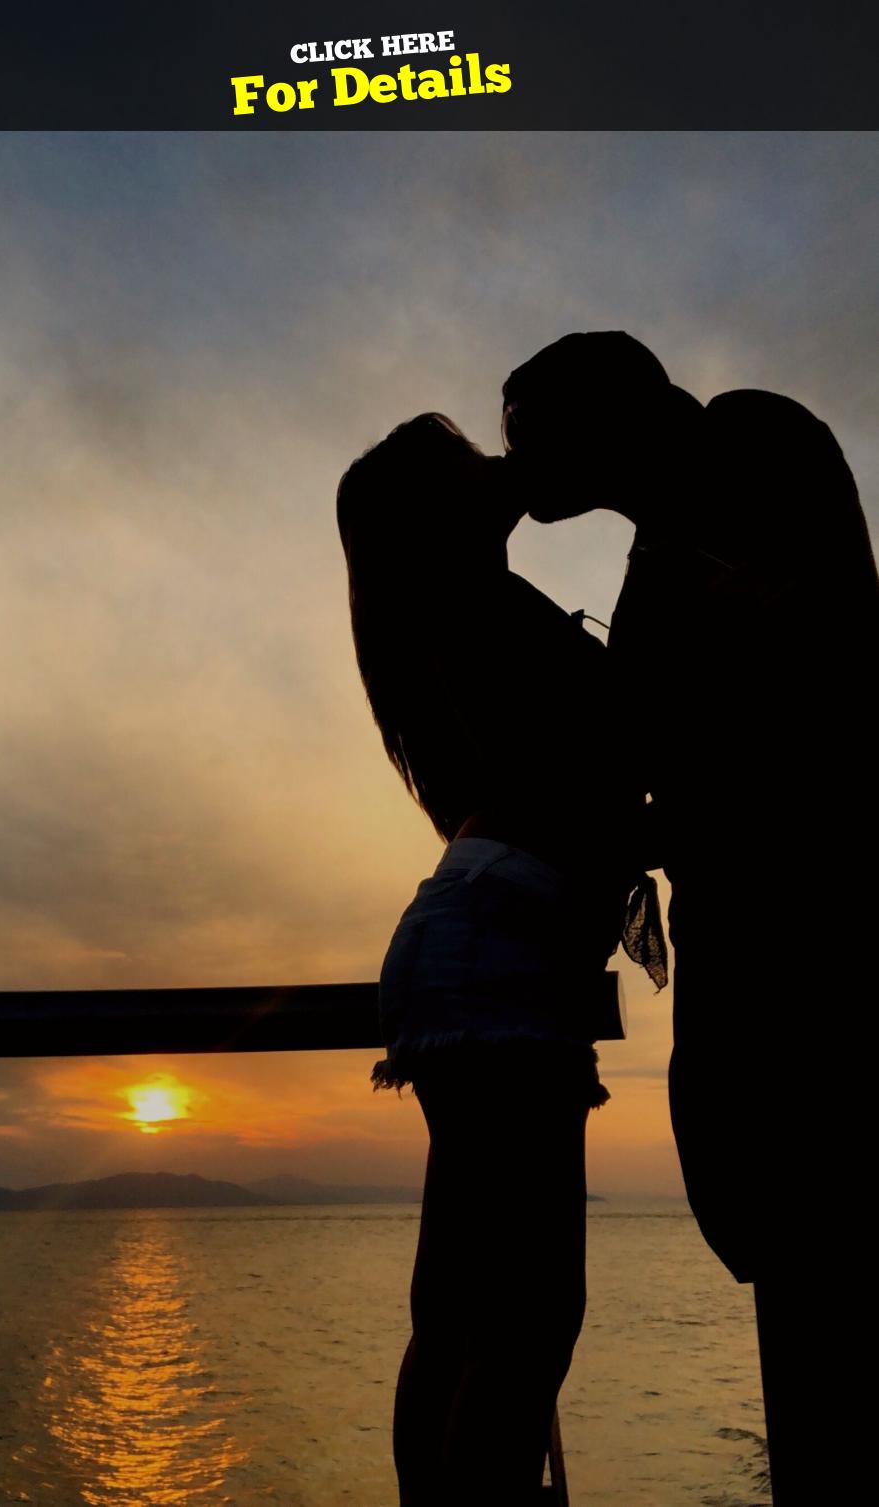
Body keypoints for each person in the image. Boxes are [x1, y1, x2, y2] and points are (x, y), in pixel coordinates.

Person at [500, 331, 878, 1502]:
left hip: (827, 946)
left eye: (528, 434)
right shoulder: (651, 557)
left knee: (832, 1253)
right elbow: (669, 764)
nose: (517, 465)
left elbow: (822, 675)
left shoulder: (754, 438)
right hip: (753, 955)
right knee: (797, 1267)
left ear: (604, 416)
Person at [336, 411, 665, 1507]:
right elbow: (601, 779)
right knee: (529, 1323)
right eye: (468, 460)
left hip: (460, 938)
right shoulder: (479, 611)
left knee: (460, 1310)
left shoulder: (437, 628)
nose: (497, 465)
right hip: (507, 948)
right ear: (445, 508)